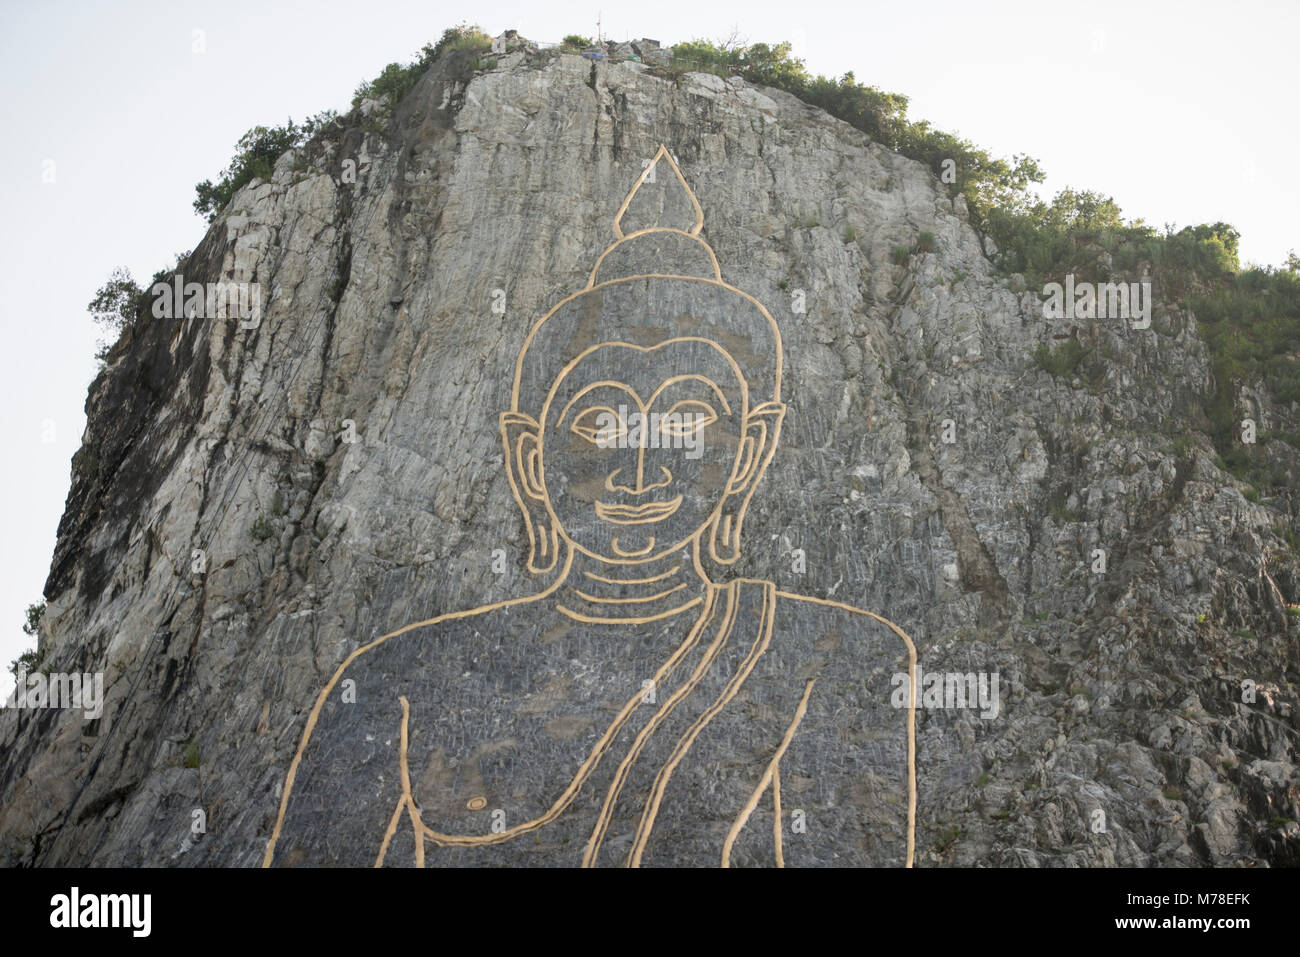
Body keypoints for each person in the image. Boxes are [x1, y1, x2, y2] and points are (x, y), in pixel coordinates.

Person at [264, 146, 917, 868]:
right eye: (597, 423)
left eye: (686, 420)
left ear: (752, 450)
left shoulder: (827, 655)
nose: (638, 476)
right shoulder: (398, 679)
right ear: (528, 459)